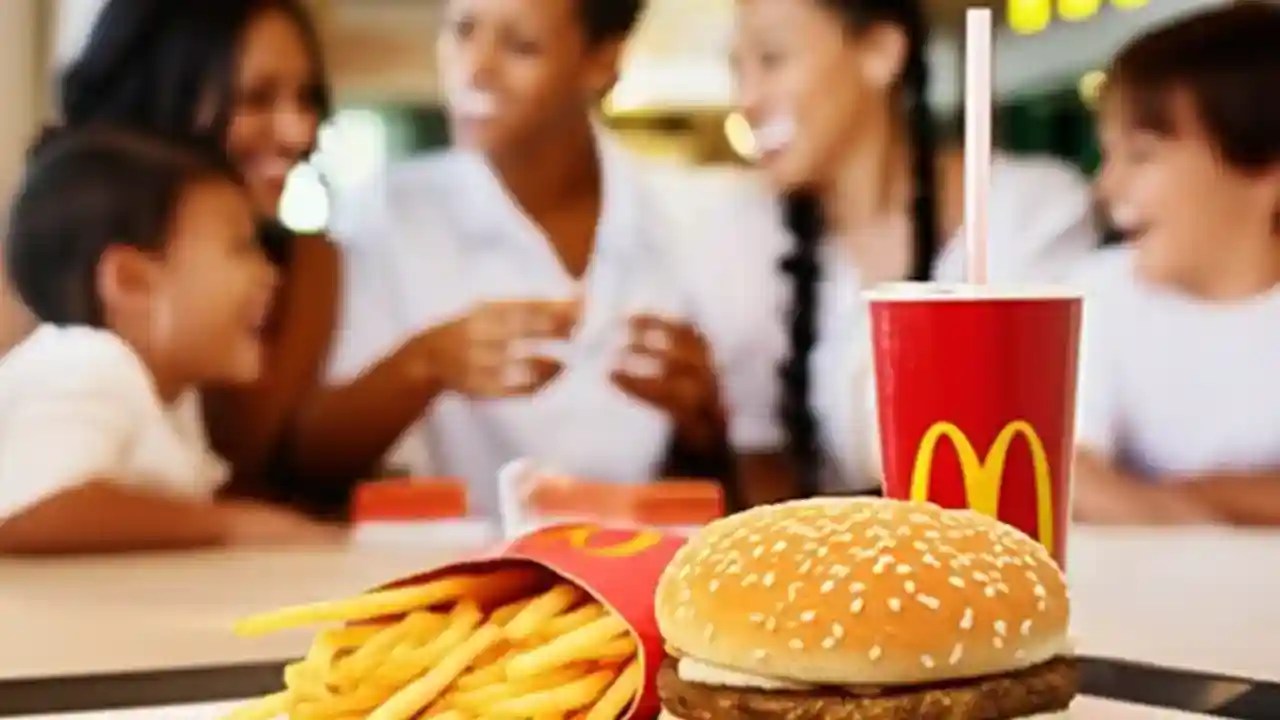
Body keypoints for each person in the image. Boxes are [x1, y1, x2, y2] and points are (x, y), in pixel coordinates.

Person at [309, 0, 781, 514]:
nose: (475, 69)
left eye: (521, 46)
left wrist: (704, 428)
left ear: (601, 63)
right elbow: (312, 465)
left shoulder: (702, 220)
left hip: (645, 555)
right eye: (462, 31)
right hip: (462, 558)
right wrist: (426, 362)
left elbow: (757, 488)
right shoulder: (388, 214)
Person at [731, 0, 1099, 496]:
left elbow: (1052, 452)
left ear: (880, 52)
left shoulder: (1027, 211)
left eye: (772, 59)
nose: (746, 99)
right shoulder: (755, 241)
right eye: (737, 70)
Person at [0, 128, 339, 554]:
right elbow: (27, 511)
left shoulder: (170, 398)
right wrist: (234, 525)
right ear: (132, 281)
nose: (270, 275)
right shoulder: (85, 361)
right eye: (240, 248)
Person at [57, 0, 340, 509]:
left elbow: (238, 469)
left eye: (307, 99)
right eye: (256, 98)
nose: (299, 133)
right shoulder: (56, 313)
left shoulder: (304, 266)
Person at [1073, 3, 1280, 526]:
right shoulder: (1095, 297)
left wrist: (1164, 500)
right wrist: (1225, 510)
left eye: (1141, 156)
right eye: (1107, 156)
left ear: (1266, 172)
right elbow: (1065, 474)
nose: (1106, 186)